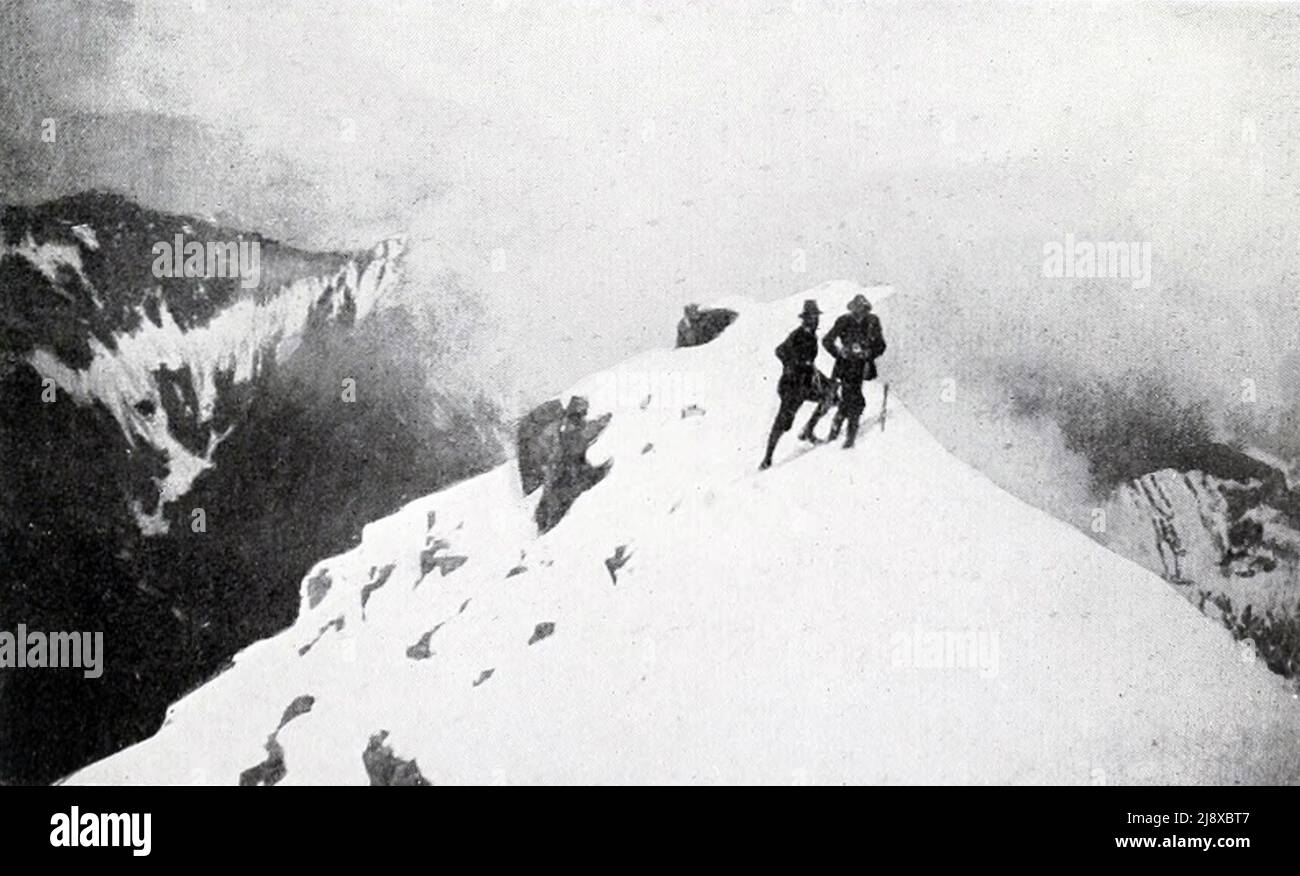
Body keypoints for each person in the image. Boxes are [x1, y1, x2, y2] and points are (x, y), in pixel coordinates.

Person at [760, 299, 833, 470]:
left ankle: (808, 429)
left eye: (817, 317)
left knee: (830, 395)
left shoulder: (812, 336)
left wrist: (820, 376)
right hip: (792, 385)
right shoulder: (798, 335)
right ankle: (767, 458)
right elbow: (779, 351)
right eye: (812, 317)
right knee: (783, 423)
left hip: (807, 380)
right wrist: (792, 365)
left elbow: (809, 362)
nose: (816, 321)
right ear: (805, 319)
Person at [820, 293, 886, 448]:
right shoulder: (843, 321)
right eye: (857, 310)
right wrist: (839, 352)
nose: (860, 314)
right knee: (855, 400)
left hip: (862, 366)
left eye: (863, 310)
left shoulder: (873, 322)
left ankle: (835, 431)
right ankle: (850, 437)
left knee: (849, 399)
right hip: (845, 366)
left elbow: (881, 345)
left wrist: (869, 353)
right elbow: (827, 341)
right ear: (852, 310)